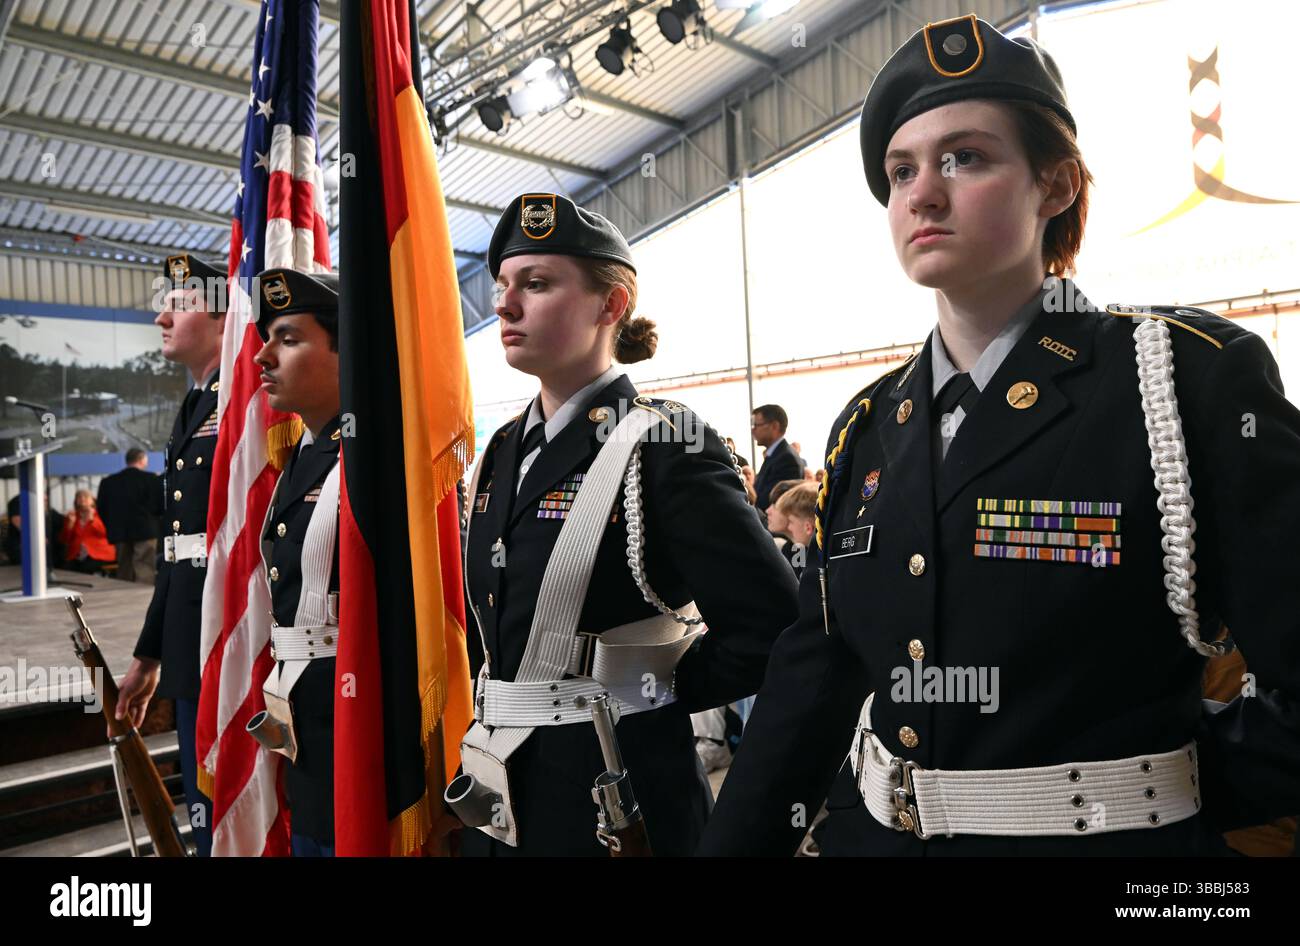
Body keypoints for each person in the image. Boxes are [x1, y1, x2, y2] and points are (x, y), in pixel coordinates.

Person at [699, 13, 1300, 856]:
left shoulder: (1180, 381)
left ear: (1054, 186)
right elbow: (815, 677)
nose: (922, 193)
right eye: (902, 170)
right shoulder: (870, 427)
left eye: (965, 158)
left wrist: (1175, 789)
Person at [453, 192, 798, 856]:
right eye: (502, 285)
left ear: (611, 305)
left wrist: (652, 687)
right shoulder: (500, 451)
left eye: (537, 283)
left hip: (614, 796)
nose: (504, 304)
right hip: (502, 788)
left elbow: (771, 627)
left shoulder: (665, 443)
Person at [115, 253, 226, 856]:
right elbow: (178, 549)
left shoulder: (246, 402)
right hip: (190, 637)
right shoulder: (193, 407)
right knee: (203, 811)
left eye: (178, 305)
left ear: (219, 316)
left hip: (228, 636)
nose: (161, 315)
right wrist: (150, 653)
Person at [247, 267, 342, 858]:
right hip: (308, 726)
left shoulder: (380, 463)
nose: (263, 355)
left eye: (288, 338)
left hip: (357, 729)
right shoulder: (302, 458)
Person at [97, 447, 162, 583]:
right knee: (144, 566)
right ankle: (143, 598)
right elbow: (159, 504)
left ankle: (124, 596)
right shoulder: (152, 479)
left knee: (124, 567)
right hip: (146, 530)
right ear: (142, 459)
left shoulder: (109, 482)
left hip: (120, 531)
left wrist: (112, 524)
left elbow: (101, 508)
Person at [750, 404, 800, 512]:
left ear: (774, 426)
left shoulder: (786, 459)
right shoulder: (775, 455)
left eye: (756, 425)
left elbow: (769, 501)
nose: (753, 430)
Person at [59, 489, 115, 572]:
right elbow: (64, 540)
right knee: (67, 569)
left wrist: (92, 520)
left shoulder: (101, 514)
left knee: (86, 568)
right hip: (77, 555)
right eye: (79, 497)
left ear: (92, 501)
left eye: (86, 496)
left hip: (99, 554)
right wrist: (69, 526)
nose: (82, 498)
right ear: (76, 501)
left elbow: (107, 533)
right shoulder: (72, 516)